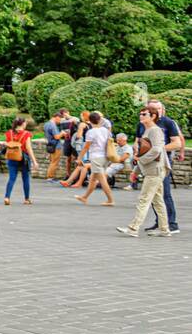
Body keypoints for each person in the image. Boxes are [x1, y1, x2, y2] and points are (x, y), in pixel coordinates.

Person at [118, 107, 172, 238]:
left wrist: (139, 161)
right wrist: (135, 171)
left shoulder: (155, 130)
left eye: (144, 114)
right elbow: (143, 152)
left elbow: (157, 150)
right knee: (157, 200)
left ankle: (133, 228)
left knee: (144, 199)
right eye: (140, 114)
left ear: (153, 116)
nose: (141, 116)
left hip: (155, 170)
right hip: (152, 170)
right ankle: (164, 229)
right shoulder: (147, 130)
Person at [135, 100, 183, 234]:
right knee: (156, 196)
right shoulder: (142, 124)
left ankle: (172, 224)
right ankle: (161, 224)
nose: (156, 111)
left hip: (162, 162)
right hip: (148, 163)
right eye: (152, 108)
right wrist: (137, 152)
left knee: (164, 194)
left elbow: (177, 143)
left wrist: (156, 149)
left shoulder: (167, 123)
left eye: (158, 108)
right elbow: (138, 141)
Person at [76, 112, 115, 206]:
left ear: (89, 121)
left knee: (102, 180)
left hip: (96, 158)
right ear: (99, 120)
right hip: (105, 157)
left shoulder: (91, 132)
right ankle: (84, 197)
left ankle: (110, 200)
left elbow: (86, 147)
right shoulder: (106, 130)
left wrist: (79, 157)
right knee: (93, 179)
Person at [2, 117, 37, 206]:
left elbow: (7, 143)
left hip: (11, 157)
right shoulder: (26, 134)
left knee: (12, 178)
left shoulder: (9, 133)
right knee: (25, 178)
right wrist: (34, 161)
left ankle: (7, 197)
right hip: (23, 158)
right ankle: (26, 199)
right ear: (22, 124)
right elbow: (28, 148)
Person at [42, 110, 62, 180]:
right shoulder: (53, 125)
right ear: (56, 117)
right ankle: (50, 177)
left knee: (52, 161)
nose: (60, 121)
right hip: (56, 146)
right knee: (54, 162)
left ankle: (50, 176)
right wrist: (62, 133)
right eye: (60, 119)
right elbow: (57, 136)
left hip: (50, 145)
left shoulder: (46, 124)